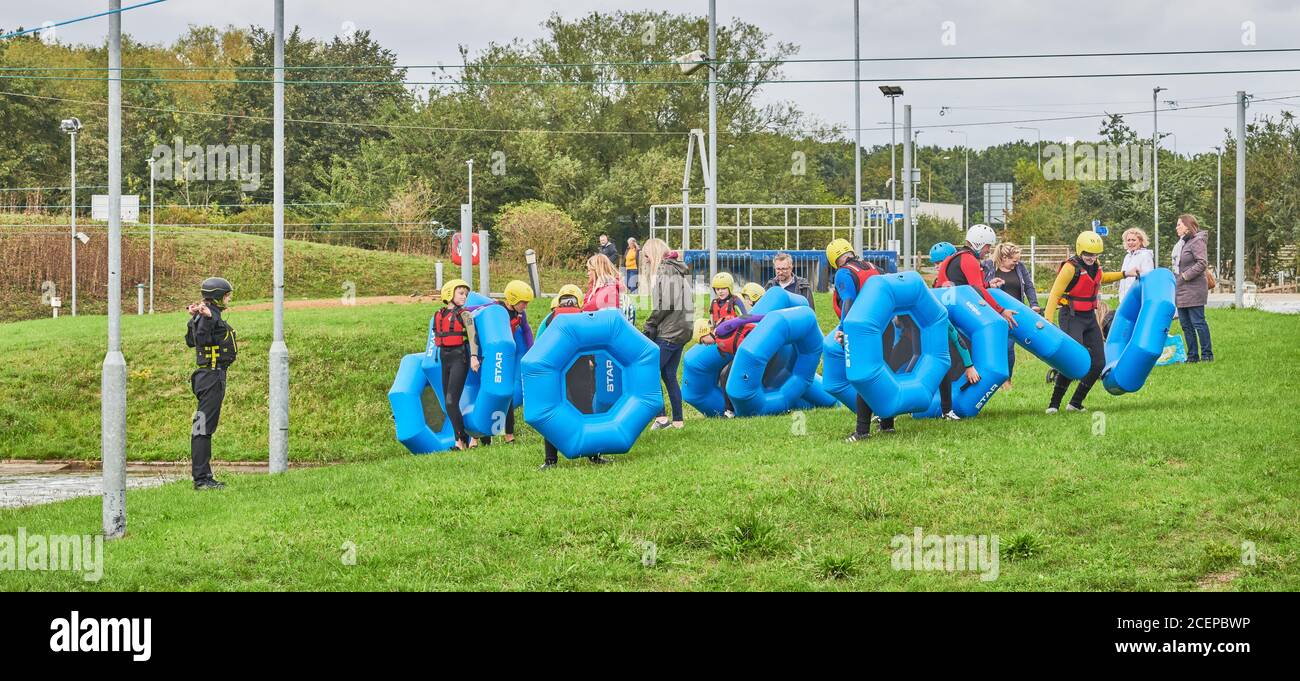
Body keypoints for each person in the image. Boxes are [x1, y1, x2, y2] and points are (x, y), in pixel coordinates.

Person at [1043, 231, 1134, 413]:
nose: (1091, 258)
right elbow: (1055, 293)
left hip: (1089, 318)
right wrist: (1047, 321)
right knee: (1073, 359)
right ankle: (1054, 404)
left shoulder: (1095, 266)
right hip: (1071, 316)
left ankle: (1075, 403)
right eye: (1088, 254)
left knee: (1099, 362)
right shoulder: (1070, 268)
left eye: (1094, 255)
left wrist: (1125, 274)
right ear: (1080, 251)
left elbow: (1102, 277)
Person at [826, 238, 896, 442]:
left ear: (833, 259)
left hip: (863, 330)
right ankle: (887, 424)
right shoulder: (875, 267)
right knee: (882, 373)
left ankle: (862, 431)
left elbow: (848, 301)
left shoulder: (843, 273)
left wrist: (842, 329)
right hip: (887, 327)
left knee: (861, 376)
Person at [536, 285, 611, 469]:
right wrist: (593, 362)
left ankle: (550, 460)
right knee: (586, 410)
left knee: (551, 412)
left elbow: (538, 345)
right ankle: (593, 455)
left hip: (554, 372)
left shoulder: (549, 319)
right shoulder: (583, 316)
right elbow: (592, 342)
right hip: (580, 369)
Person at [185, 277, 237, 490]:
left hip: (206, 377)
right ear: (218, 296)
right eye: (227, 295)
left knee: (202, 426)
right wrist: (204, 318)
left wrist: (196, 317)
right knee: (202, 428)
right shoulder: (207, 315)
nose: (229, 298)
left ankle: (203, 476)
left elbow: (190, 340)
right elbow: (202, 339)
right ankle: (202, 479)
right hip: (211, 378)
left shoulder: (207, 313)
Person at [641, 238, 692, 430]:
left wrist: (650, 323)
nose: (645, 260)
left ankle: (661, 418)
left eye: (646, 255)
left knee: (649, 372)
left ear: (653, 254)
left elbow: (666, 303)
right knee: (668, 373)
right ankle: (678, 421)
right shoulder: (676, 269)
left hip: (670, 331)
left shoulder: (665, 269)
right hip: (681, 329)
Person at [478, 280, 534, 445]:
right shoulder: (496, 309)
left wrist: (532, 350)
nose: (525, 306)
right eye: (523, 302)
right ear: (513, 299)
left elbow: (527, 330)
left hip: (507, 356)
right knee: (488, 391)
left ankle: (509, 434)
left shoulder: (520, 314)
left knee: (507, 392)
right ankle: (480, 436)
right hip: (490, 357)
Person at [934, 224, 1019, 330]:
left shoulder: (957, 256)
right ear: (979, 243)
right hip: (957, 311)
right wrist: (1001, 310)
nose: (988, 250)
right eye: (988, 245)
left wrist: (988, 284)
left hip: (947, 309)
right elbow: (979, 290)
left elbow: (966, 284)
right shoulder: (968, 259)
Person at [981, 241, 1039, 390]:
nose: (1016, 263)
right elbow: (980, 285)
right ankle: (991, 380)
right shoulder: (988, 266)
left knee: (1008, 347)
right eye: (1014, 260)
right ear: (1004, 257)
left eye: (1017, 260)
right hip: (993, 312)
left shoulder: (1019, 268)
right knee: (994, 347)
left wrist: (1033, 304)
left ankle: (1007, 380)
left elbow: (1029, 285)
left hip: (1013, 314)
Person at [433, 279, 479, 449]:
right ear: (449, 294)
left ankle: (461, 442)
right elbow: (435, 337)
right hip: (445, 358)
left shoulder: (465, 314)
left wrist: (474, 357)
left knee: (452, 401)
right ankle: (460, 440)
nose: (464, 296)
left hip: (461, 357)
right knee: (448, 403)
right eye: (460, 293)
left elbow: (473, 337)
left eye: (466, 294)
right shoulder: (439, 314)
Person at [697, 313, 765, 417]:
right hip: (749, 354)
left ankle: (729, 411)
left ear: (706, 332)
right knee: (724, 374)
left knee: (725, 374)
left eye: (703, 341)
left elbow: (742, 319)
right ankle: (731, 410)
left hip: (755, 348)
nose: (705, 345)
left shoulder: (721, 329)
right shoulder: (718, 340)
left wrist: (767, 318)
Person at [1172, 214, 1213, 363]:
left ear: (1188, 226)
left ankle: (1207, 355)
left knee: (1198, 323)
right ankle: (1192, 356)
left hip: (1194, 289)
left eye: (1179, 225)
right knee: (1186, 325)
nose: (1176, 227)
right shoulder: (1182, 243)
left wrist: (1184, 276)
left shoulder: (1197, 241)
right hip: (1181, 289)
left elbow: (1202, 263)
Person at [1118, 227, 1155, 303]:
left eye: (1133, 240)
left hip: (1137, 298)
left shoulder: (1145, 255)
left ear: (1140, 241)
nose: (1130, 243)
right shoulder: (1127, 257)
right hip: (1124, 298)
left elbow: (1147, 278)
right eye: (1128, 240)